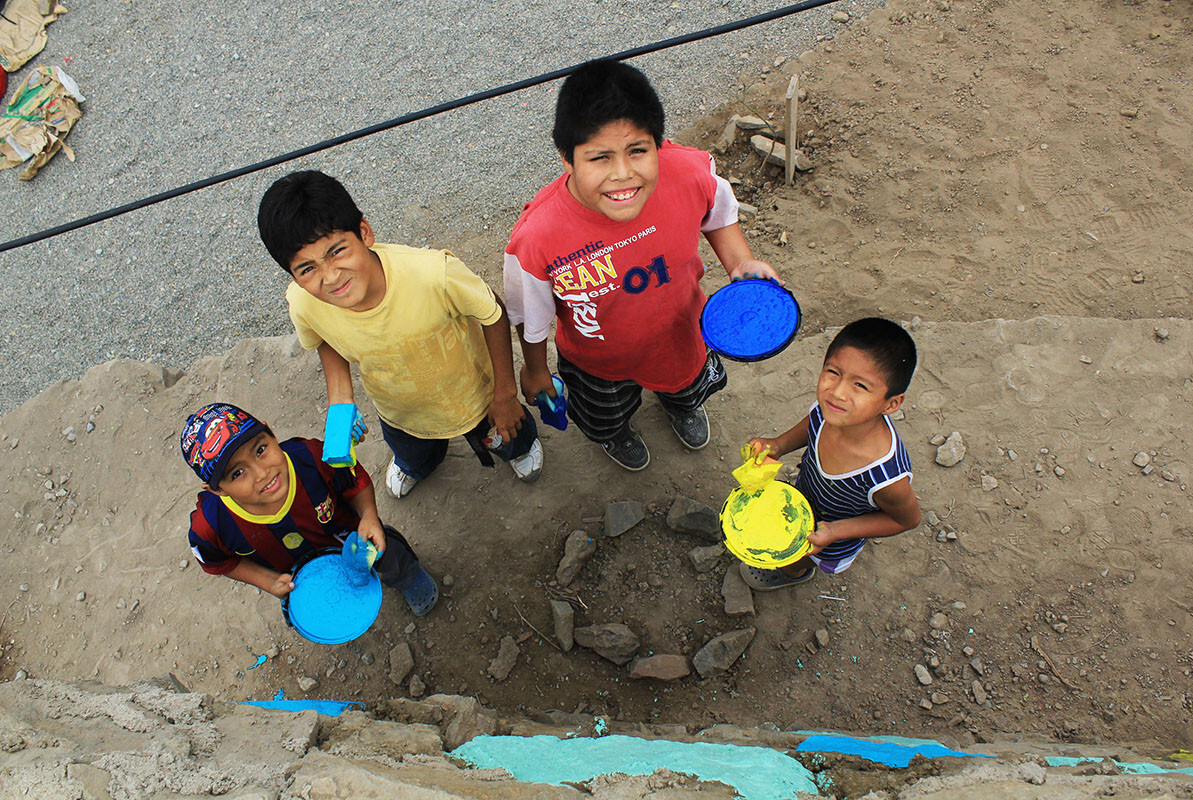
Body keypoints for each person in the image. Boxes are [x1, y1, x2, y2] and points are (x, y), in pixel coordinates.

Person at [504, 59, 779, 471]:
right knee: (604, 415)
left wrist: (740, 262)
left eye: (637, 151)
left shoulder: (688, 173)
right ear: (567, 159)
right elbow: (531, 317)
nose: (623, 175)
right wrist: (537, 370)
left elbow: (718, 212)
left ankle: (683, 407)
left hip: (683, 335)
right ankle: (616, 433)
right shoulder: (536, 237)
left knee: (687, 388)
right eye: (600, 158)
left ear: (658, 144)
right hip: (597, 363)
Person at [258, 170, 542, 498]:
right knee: (414, 452)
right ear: (292, 275)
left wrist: (505, 394)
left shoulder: (433, 274)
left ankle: (519, 449)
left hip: (474, 395)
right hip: (397, 408)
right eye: (307, 269)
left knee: (506, 433)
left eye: (336, 251)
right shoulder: (303, 303)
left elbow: (491, 310)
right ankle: (415, 464)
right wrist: (340, 399)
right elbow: (323, 337)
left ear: (364, 232)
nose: (331, 277)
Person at [180, 402, 439, 616]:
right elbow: (220, 562)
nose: (262, 473)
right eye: (237, 473)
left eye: (261, 449)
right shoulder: (210, 526)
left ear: (271, 434)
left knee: (388, 555)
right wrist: (268, 581)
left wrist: (369, 515)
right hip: (301, 571)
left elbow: (354, 481)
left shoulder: (310, 457)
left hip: (356, 539)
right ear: (217, 490)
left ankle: (408, 577)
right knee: (330, 601)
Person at [740, 318, 922, 590]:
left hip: (831, 535)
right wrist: (778, 445)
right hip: (805, 496)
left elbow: (906, 519)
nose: (837, 392)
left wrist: (836, 532)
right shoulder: (828, 412)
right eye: (833, 372)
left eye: (860, 386)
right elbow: (812, 425)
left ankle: (794, 573)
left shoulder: (885, 477)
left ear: (891, 403)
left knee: (795, 559)